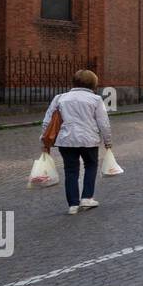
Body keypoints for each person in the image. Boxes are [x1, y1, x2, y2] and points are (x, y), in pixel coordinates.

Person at [41, 69, 112, 216]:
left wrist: (44, 140)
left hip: (65, 140)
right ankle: (87, 197)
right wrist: (108, 141)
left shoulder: (60, 98)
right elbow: (103, 122)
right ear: (93, 83)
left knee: (70, 170)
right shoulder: (96, 100)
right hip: (89, 139)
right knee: (91, 165)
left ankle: (73, 204)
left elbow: (47, 121)